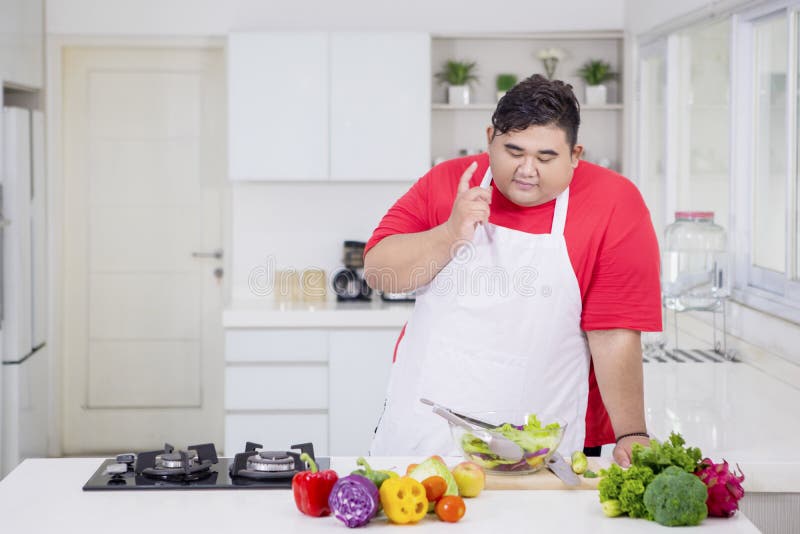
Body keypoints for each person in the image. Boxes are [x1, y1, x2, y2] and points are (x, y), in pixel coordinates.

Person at [364, 74, 661, 466]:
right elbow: (379, 271)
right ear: (490, 137)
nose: (527, 170)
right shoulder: (448, 182)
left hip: (543, 445)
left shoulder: (613, 204)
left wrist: (632, 432)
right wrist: (451, 233)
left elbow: (613, 331)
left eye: (546, 157)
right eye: (513, 151)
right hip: (426, 432)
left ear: (575, 154)